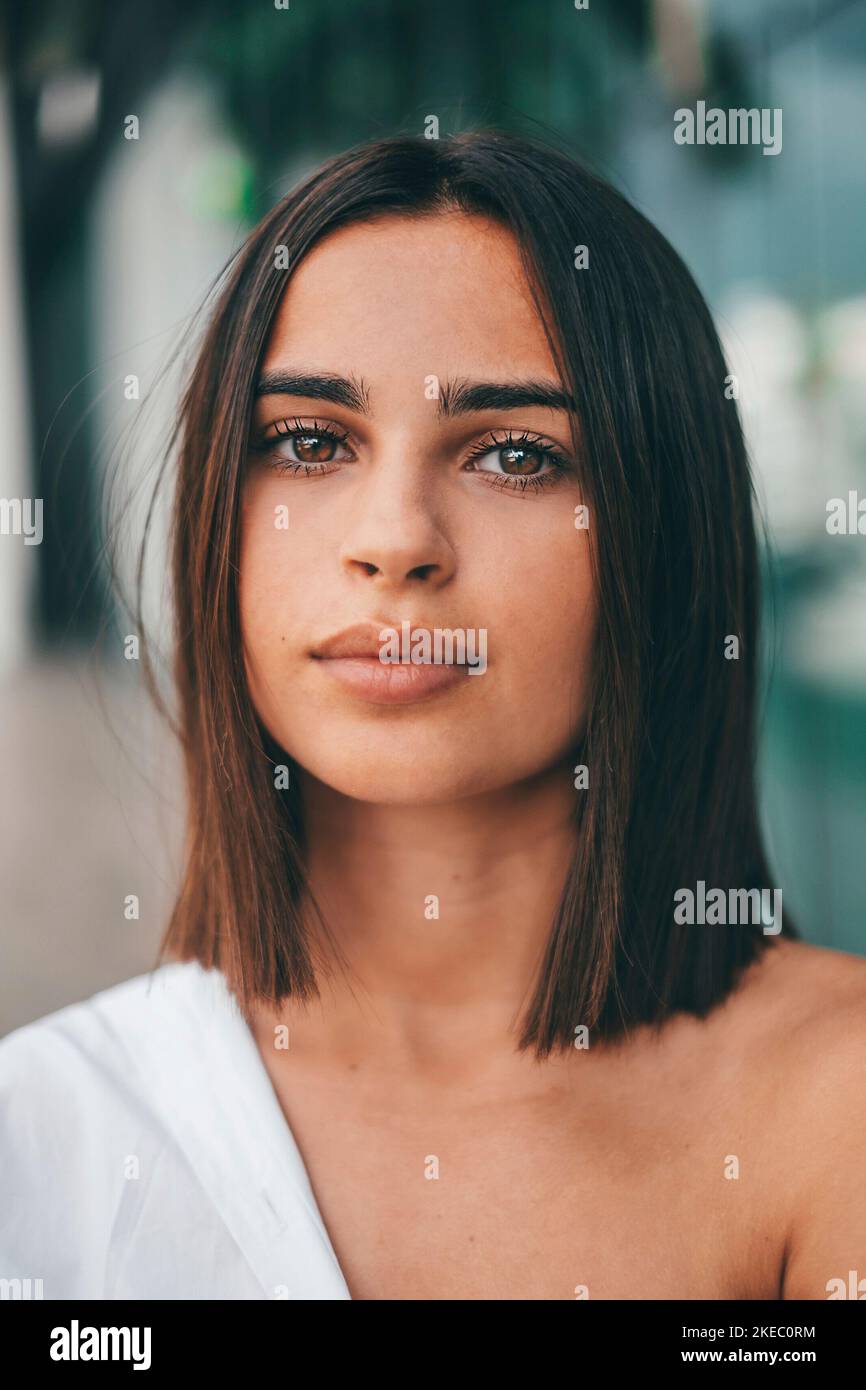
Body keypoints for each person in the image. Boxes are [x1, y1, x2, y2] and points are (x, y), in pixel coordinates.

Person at [2, 130, 865, 1302]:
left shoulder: (835, 1098)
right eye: (307, 442)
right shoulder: (46, 1135)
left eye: (513, 455)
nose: (394, 540)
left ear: (658, 531)